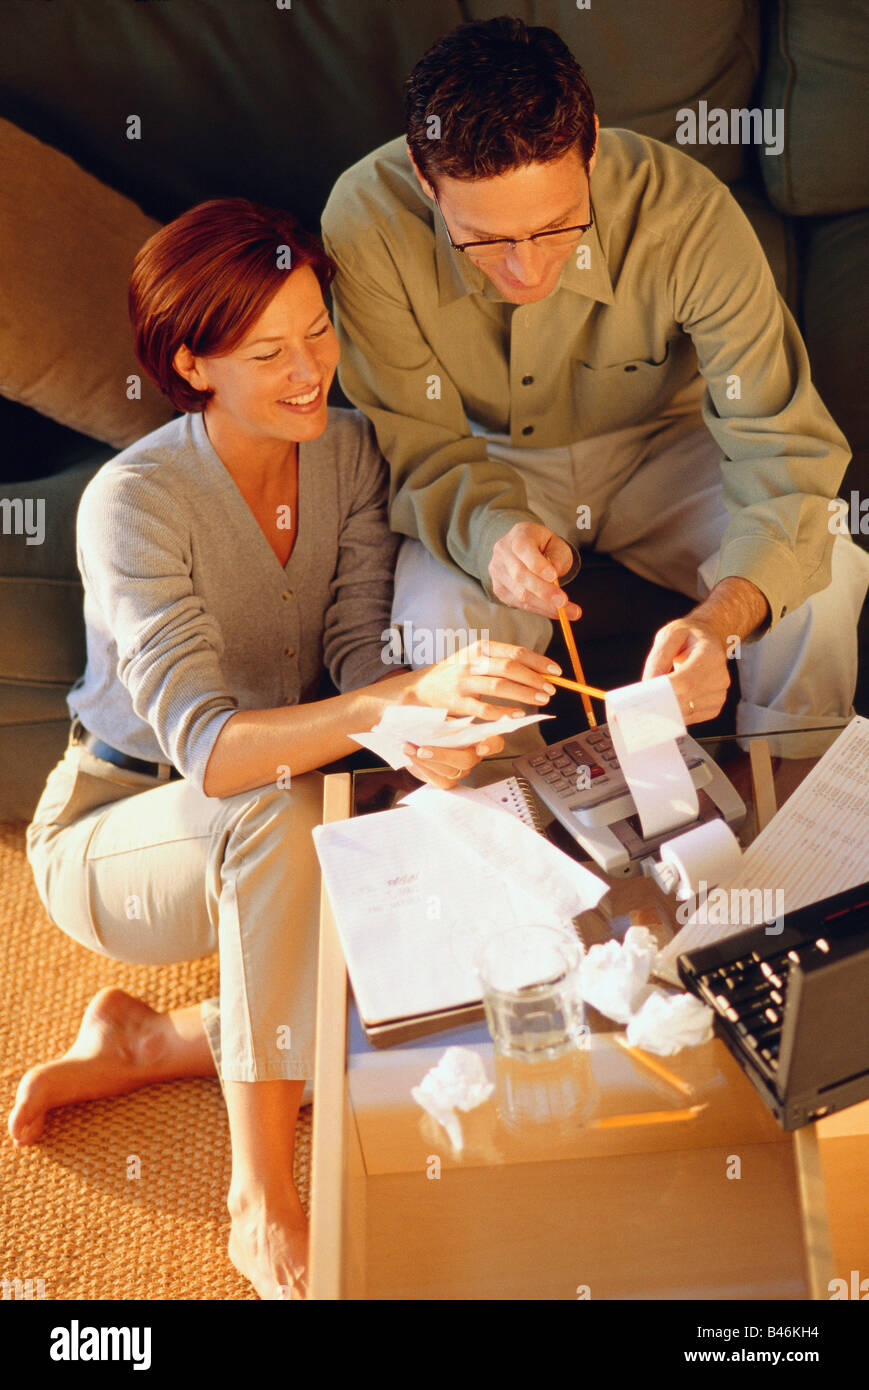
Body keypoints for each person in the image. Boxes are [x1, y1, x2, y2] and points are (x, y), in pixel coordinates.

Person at [7, 198, 561, 1300]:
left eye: (319, 331)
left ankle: (155, 1041)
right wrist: (396, 707)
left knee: (446, 879)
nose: (311, 369)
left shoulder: (348, 451)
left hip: (289, 789)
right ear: (191, 364)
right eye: (269, 352)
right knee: (279, 808)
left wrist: (427, 738)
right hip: (120, 821)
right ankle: (258, 1206)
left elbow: (356, 655)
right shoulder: (133, 504)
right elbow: (211, 754)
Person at [322, 16, 869, 759]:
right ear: (425, 182)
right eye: (483, 240)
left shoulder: (689, 213)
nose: (527, 274)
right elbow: (418, 444)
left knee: (826, 567)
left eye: (556, 227)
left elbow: (779, 445)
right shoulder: (365, 223)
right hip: (487, 465)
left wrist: (720, 621)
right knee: (440, 628)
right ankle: (514, 845)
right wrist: (489, 536)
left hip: (667, 448)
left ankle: (795, 818)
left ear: (590, 150)